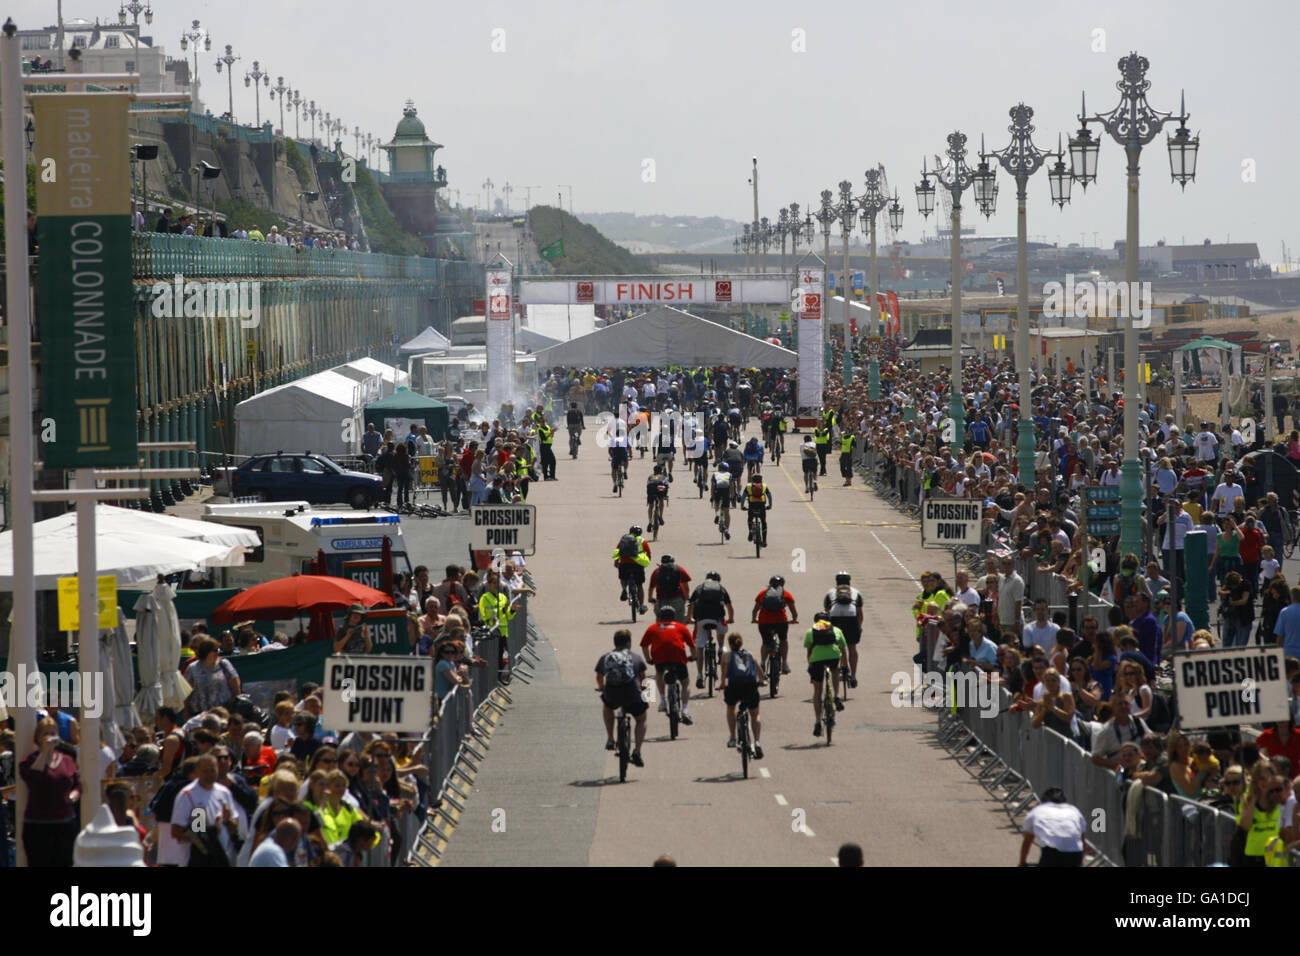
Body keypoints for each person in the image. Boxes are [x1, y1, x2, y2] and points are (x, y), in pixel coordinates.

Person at [19, 718, 81, 867]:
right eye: (45, 733)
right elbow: (32, 779)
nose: (49, 737)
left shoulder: (67, 759)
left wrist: (72, 797)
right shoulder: (29, 761)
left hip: (64, 823)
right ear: (38, 737)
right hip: (38, 825)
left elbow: (78, 784)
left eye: (52, 733)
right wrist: (44, 753)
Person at [171, 753, 244, 866]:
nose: (210, 774)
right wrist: (204, 836)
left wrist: (227, 820)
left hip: (221, 857)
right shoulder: (187, 795)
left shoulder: (224, 792)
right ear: (197, 771)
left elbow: (233, 828)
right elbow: (176, 831)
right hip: (195, 859)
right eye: (205, 771)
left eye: (212, 770)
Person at [595, 630, 648, 767]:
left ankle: (611, 738)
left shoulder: (606, 657)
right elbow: (643, 678)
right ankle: (637, 750)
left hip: (612, 694)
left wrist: (601, 687)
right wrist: (645, 693)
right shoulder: (636, 657)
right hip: (632, 694)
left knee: (607, 707)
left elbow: (599, 677)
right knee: (641, 719)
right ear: (628, 643)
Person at [640, 605, 696, 724]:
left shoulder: (653, 628)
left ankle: (663, 700)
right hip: (678, 656)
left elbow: (644, 645)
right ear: (674, 617)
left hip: (659, 657)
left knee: (659, 673)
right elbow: (692, 645)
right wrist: (693, 656)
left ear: (660, 617)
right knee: (685, 682)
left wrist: (648, 659)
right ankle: (685, 710)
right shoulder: (681, 627)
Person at [719, 632, 764, 756]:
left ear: (729, 644)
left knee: (731, 707)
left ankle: (733, 737)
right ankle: (757, 742)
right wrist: (761, 681)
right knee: (755, 715)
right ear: (741, 643)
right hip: (750, 687)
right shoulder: (749, 654)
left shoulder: (726, 656)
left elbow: (723, 673)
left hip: (734, 687)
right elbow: (760, 672)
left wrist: (723, 684)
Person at [805, 613, 848, 738]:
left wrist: (811, 666)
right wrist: (844, 666)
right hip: (833, 656)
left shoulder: (810, 631)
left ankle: (818, 721)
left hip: (817, 659)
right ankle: (836, 696)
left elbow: (809, 652)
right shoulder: (836, 630)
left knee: (817, 691)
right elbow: (843, 650)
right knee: (834, 671)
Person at [688, 570, 734, 689]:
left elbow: (691, 604)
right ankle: (721, 649)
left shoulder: (699, 588)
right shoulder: (721, 589)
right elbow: (729, 607)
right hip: (717, 618)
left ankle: (699, 675)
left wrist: (690, 618)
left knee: (700, 647)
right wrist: (731, 619)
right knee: (722, 633)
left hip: (701, 618)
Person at [1018, 787, 1086, 867]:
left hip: (1051, 853)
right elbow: (1082, 840)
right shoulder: (1074, 811)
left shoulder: (1037, 811)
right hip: (1075, 853)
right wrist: (1080, 861)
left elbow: (1027, 840)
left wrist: (1022, 862)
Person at [823, 571, 864, 687]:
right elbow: (860, 615)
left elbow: (826, 613)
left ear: (837, 581)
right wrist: (858, 628)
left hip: (835, 619)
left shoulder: (830, 592)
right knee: (852, 647)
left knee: (840, 645)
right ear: (849, 581)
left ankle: (844, 666)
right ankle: (854, 676)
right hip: (851, 619)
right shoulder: (856, 592)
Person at [753, 574, 798, 677]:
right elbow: (794, 612)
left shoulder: (763, 594)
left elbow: (755, 610)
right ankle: (785, 663)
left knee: (765, 642)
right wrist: (794, 620)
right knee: (783, 640)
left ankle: (763, 664)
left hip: (764, 622)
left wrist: (754, 619)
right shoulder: (786, 594)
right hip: (781, 622)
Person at [187, 637, 242, 713]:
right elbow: (187, 693)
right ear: (206, 652)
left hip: (225, 712)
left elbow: (236, 687)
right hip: (201, 714)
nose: (217, 653)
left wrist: (237, 709)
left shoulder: (224, 664)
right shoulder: (192, 668)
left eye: (218, 650)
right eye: (215, 650)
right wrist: (186, 713)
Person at [613, 524, 651, 614]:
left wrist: (616, 561)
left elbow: (617, 550)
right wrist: (645, 562)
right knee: (639, 585)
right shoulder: (642, 541)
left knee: (623, 577)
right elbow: (648, 554)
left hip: (624, 563)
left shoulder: (624, 539)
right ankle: (641, 605)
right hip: (637, 565)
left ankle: (624, 589)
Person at [648, 554, 690, 623]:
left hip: (662, 600)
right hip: (677, 600)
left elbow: (651, 587)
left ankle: (659, 630)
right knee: (679, 622)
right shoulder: (679, 569)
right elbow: (686, 588)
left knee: (660, 618)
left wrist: (650, 598)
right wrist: (686, 598)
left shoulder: (657, 571)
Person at [741, 472, 773, 548]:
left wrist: (742, 506)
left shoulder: (748, 486)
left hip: (752, 505)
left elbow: (743, 497)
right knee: (763, 522)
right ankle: (764, 541)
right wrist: (770, 505)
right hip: (761, 505)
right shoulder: (764, 486)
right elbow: (769, 496)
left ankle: (751, 531)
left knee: (750, 519)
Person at [710, 461, 734, 537]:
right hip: (725, 492)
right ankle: (726, 529)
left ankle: (717, 515)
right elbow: (731, 486)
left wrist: (712, 496)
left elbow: (713, 486)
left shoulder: (715, 474)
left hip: (718, 490)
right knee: (727, 512)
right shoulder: (729, 474)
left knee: (716, 503)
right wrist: (732, 495)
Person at [646, 463, 670, 530]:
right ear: (661, 471)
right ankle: (661, 517)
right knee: (661, 500)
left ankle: (650, 522)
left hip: (651, 490)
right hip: (660, 489)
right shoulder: (663, 477)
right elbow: (666, 485)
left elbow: (647, 485)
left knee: (651, 505)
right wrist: (665, 495)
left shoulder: (650, 476)